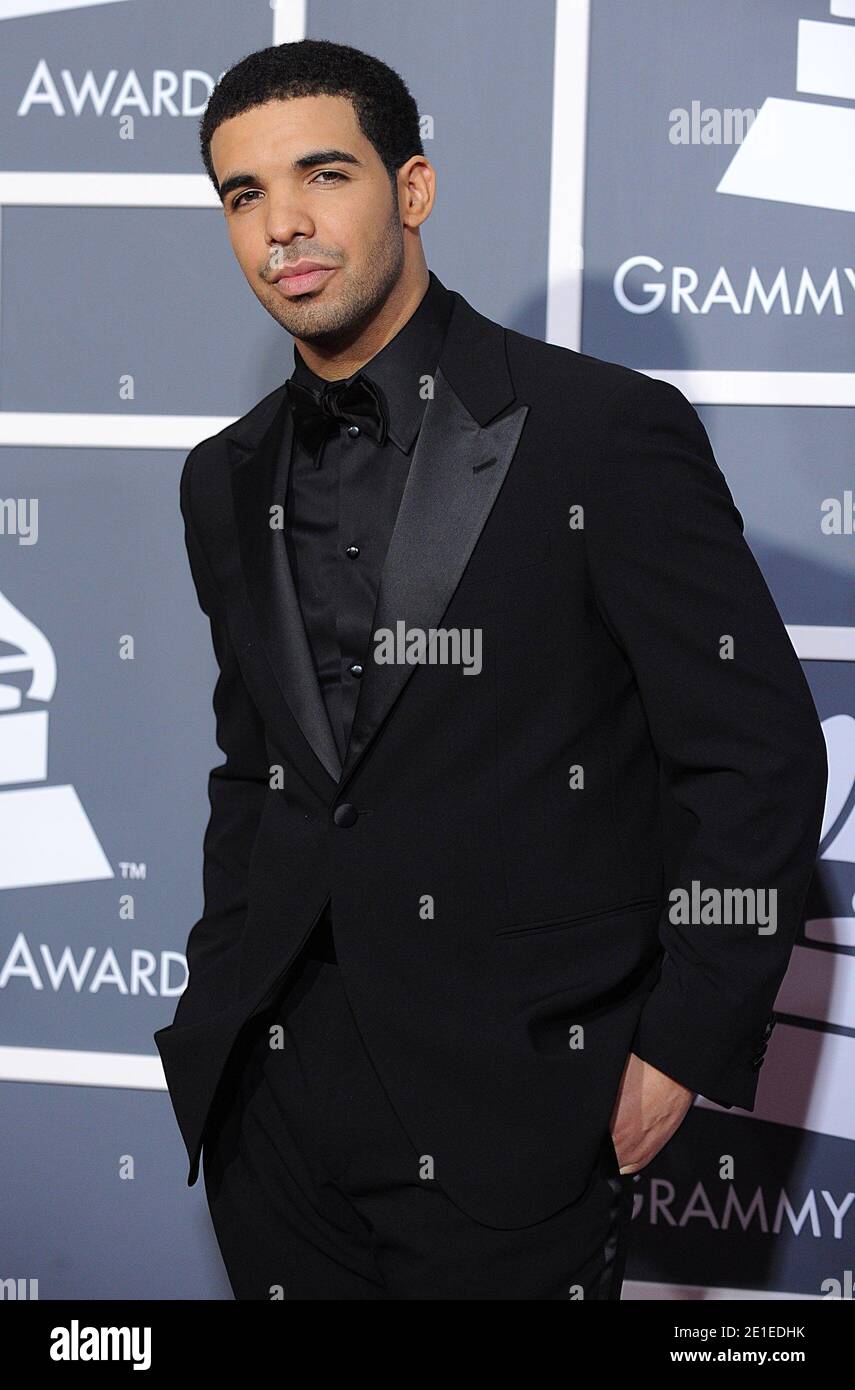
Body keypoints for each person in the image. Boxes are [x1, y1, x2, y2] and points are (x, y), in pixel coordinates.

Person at [154, 38, 828, 1300]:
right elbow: (255, 769)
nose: (283, 226)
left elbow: (758, 757)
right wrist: (220, 1006)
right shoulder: (222, 476)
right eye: (244, 195)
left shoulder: (600, 433)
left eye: (322, 175)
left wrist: (677, 1049)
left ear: (411, 190)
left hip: (517, 1113)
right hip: (277, 1119)